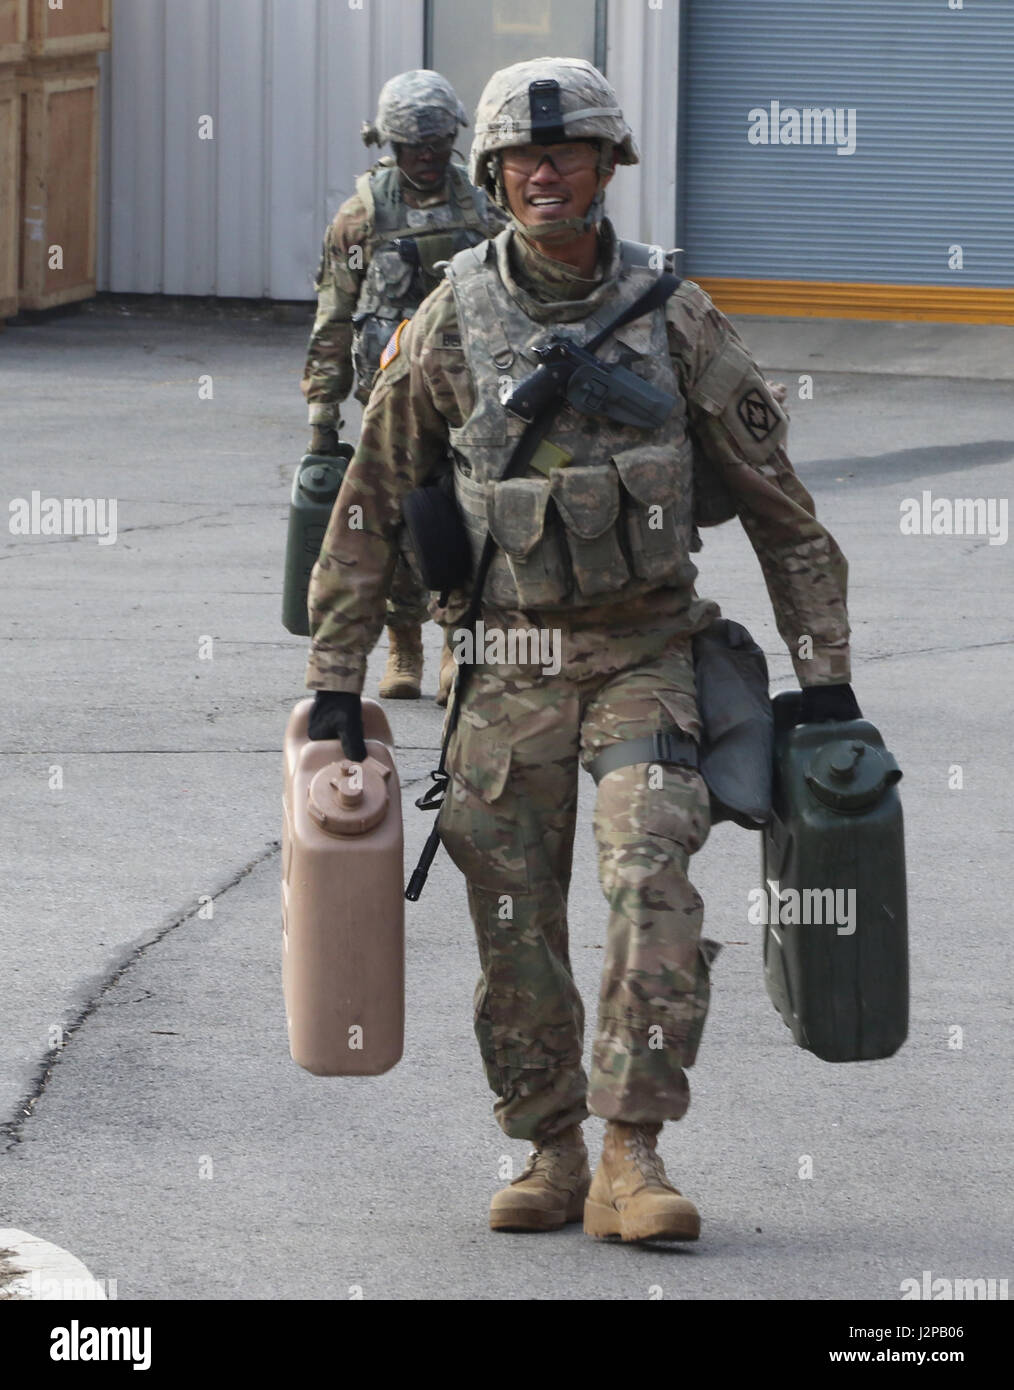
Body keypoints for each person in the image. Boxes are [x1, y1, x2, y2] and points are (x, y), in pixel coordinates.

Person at [303, 58, 859, 1243]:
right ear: (495, 174)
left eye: (566, 154)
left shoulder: (674, 316)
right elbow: (370, 500)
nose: (543, 172)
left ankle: (633, 1147)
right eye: (520, 158)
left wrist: (828, 685)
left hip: (644, 654)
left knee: (651, 872)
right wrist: (336, 684)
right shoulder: (453, 313)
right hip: (501, 667)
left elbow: (783, 511)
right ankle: (548, 1145)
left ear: (607, 168)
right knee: (514, 923)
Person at [300, 69, 503, 702]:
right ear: (387, 142)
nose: (426, 157)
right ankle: (403, 646)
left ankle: (455, 647)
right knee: (389, 517)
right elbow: (334, 316)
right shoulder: (361, 218)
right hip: (387, 396)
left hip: (469, 396)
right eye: (413, 146)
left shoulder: (482, 210)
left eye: (437, 145)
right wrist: (322, 415)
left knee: (468, 514)